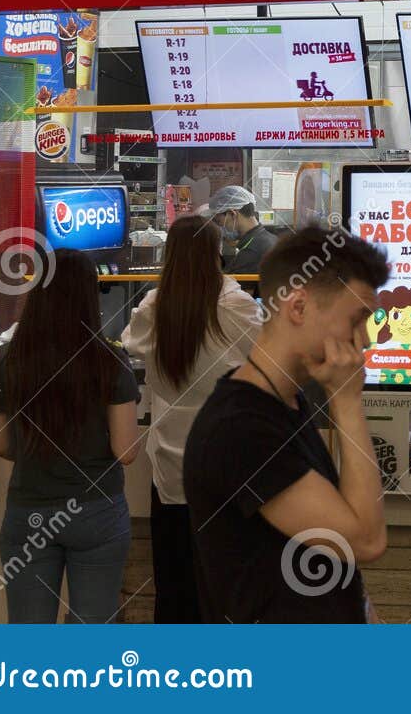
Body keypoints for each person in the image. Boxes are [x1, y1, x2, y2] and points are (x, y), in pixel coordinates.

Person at [184, 227, 390, 622]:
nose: (364, 339)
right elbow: (365, 540)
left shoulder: (284, 403)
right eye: (358, 318)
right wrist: (347, 400)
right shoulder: (241, 428)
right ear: (298, 307)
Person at [122, 215, 263, 623]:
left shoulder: (154, 306)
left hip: (168, 465)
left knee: (175, 580)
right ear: (217, 251)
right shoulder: (235, 306)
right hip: (228, 465)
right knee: (227, 584)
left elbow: (131, 348)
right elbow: (266, 360)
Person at [0, 250, 139, 623]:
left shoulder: (6, 359)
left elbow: (0, 444)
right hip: (97, 513)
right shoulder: (111, 361)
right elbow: (126, 451)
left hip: (29, 511)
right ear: (88, 296)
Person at [207, 185, 278, 280]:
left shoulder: (251, 252)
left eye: (219, 221)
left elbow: (241, 293)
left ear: (232, 214)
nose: (221, 228)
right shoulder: (269, 238)